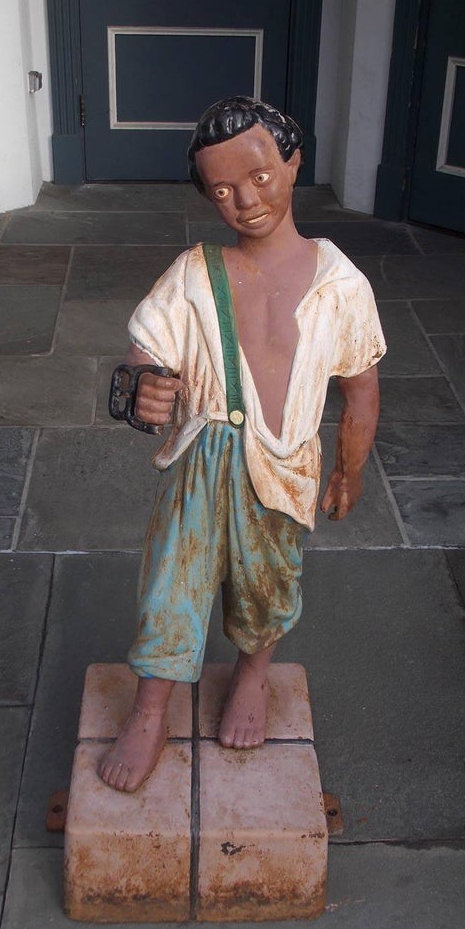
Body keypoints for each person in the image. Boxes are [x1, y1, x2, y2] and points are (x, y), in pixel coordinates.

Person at [98, 96, 385, 793]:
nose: (245, 201)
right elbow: (142, 351)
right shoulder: (196, 275)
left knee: (270, 580)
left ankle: (252, 675)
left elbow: (361, 389)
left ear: (292, 161)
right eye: (222, 190)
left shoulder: (340, 285)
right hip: (203, 458)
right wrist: (139, 388)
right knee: (174, 578)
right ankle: (151, 707)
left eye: (258, 176)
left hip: (284, 464)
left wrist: (349, 470)